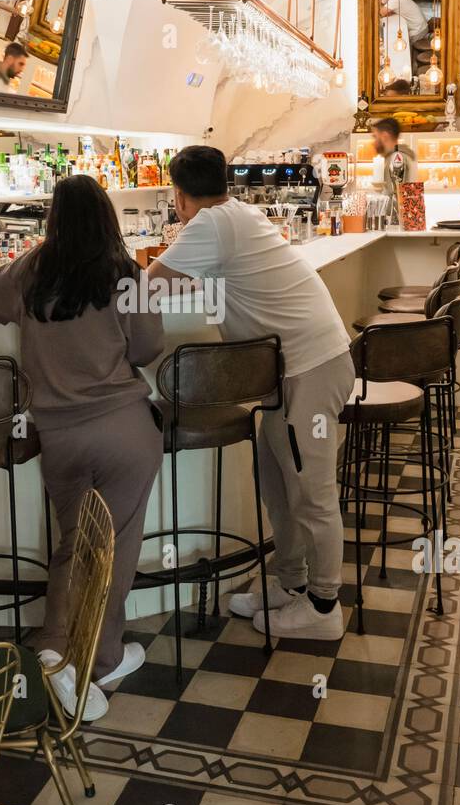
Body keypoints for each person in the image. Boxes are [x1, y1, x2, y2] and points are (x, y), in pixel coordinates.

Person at [148, 145, 354, 640]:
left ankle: (325, 608)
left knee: (312, 493)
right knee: (279, 487)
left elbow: (149, 289)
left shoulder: (211, 224)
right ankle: (293, 585)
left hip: (311, 367)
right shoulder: (237, 214)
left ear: (178, 195)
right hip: (292, 370)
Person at [0, 175, 164, 719]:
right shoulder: (124, 274)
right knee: (115, 548)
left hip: (58, 435)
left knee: (72, 546)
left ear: (52, 221)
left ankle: (53, 650)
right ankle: (97, 663)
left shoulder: (32, 272)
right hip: (124, 430)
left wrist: (41, 254)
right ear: (108, 218)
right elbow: (150, 347)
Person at [370, 116, 419, 212]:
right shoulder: (398, 156)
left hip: (396, 223)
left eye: (375, 137)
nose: (373, 143)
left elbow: (397, 196)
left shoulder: (397, 158)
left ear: (384, 136)